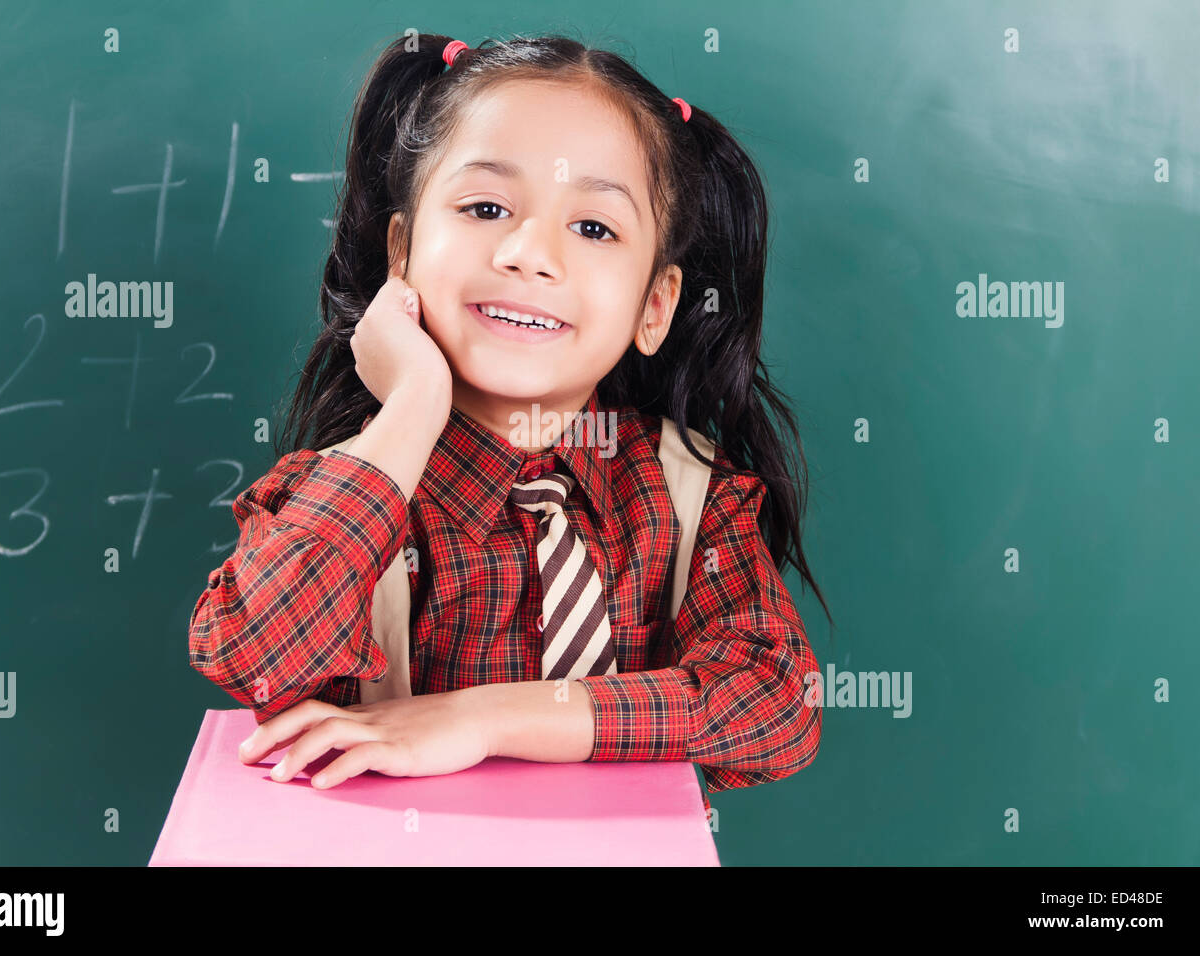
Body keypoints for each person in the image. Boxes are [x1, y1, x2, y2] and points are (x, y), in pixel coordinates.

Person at [188, 33, 833, 799]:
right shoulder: (347, 494)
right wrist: (413, 406)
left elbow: (778, 704)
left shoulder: (694, 497)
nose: (529, 254)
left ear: (655, 305)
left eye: (593, 228)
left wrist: (480, 720)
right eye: (486, 207)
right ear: (401, 253)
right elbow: (259, 652)